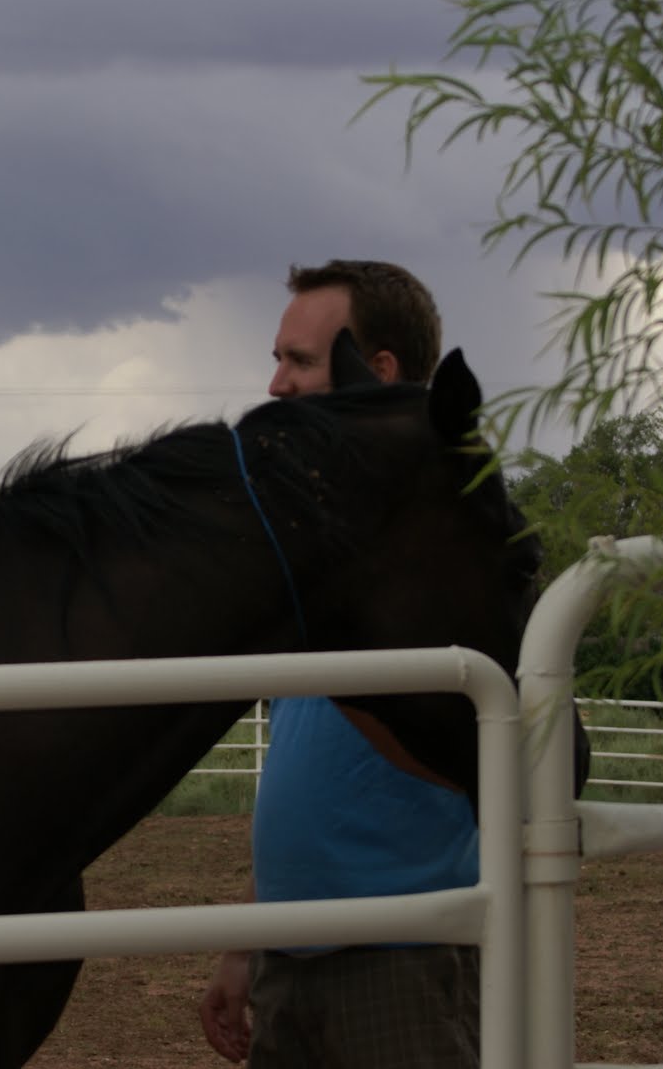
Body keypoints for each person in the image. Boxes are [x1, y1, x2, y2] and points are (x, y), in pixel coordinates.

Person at [199, 260, 483, 1067]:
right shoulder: (319, 557)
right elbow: (310, 778)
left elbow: (468, 756)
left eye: (299, 360)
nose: (275, 382)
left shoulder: (440, 556)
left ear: (375, 372)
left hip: (399, 960)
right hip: (292, 957)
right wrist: (243, 940)